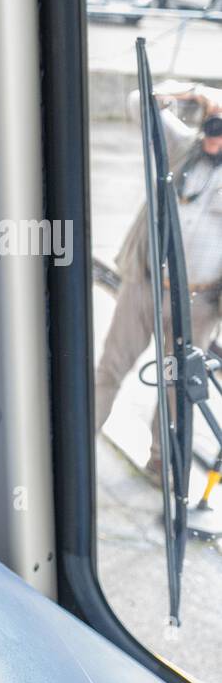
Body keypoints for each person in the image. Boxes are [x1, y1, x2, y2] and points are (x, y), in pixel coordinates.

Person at [95, 83, 222, 479]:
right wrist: (194, 93)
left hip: (199, 303)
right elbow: (138, 101)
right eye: (214, 128)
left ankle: (161, 465)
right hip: (144, 286)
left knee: (176, 387)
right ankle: (76, 445)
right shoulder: (183, 146)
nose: (215, 139)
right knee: (109, 368)